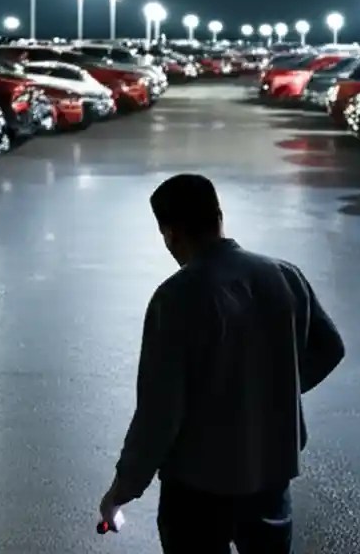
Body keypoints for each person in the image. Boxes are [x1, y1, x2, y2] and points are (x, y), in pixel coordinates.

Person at [98, 173, 345, 553]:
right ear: (218, 216)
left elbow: (159, 413)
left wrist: (122, 490)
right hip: (270, 477)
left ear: (170, 234)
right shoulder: (283, 275)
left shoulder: (176, 298)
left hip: (196, 490)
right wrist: (271, 389)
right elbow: (330, 349)